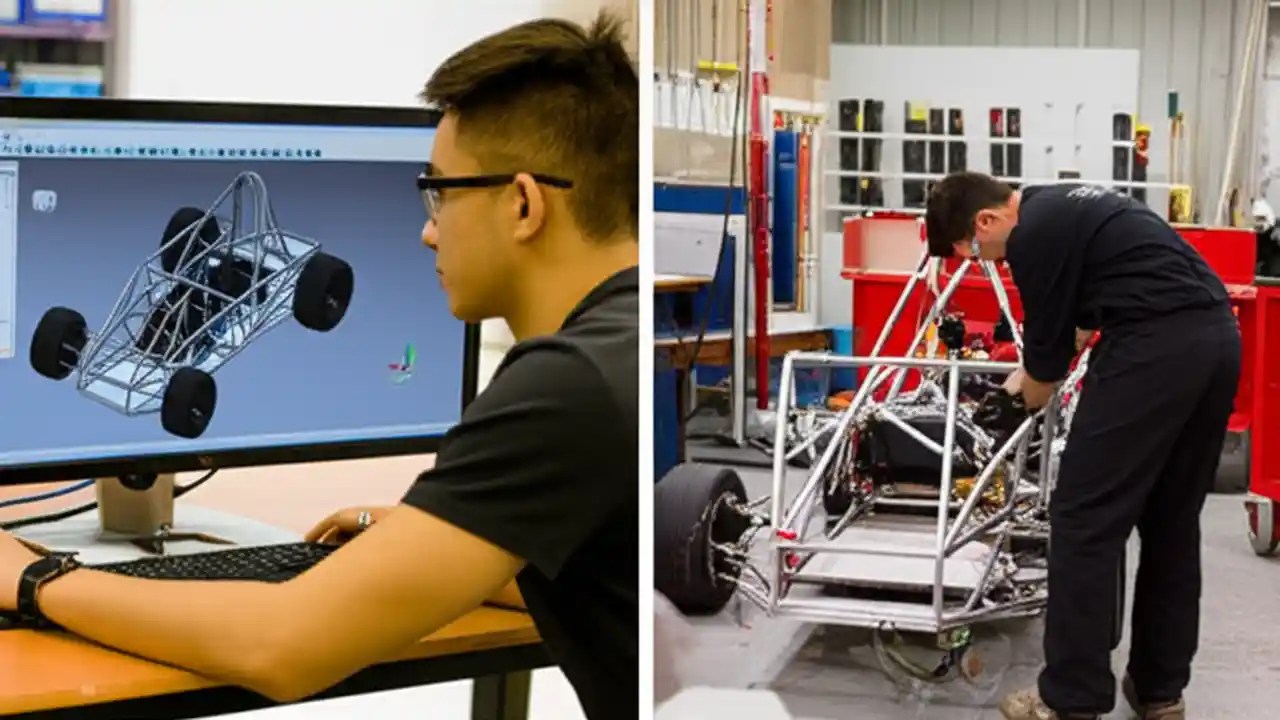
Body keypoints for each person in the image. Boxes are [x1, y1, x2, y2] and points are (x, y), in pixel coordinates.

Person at [0, 11, 639, 720]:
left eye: (440, 192)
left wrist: (32, 577)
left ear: (522, 203)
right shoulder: (623, 346)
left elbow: (282, 648)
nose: (428, 230)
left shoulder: (566, 389)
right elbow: (589, 576)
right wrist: (421, 543)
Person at [924, 172, 1238, 720]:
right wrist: (1018, 389)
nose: (988, 263)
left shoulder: (1030, 238)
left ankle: (1071, 698)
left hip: (1153, 347)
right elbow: (1076, 331)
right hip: (1215, 338)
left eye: (976, 253)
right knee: (1171, 520)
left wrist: (1008, 407)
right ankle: (1160, 691)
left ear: (987, 222)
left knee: (1082, 518)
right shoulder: (1062, 205)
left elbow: (1044, 371)